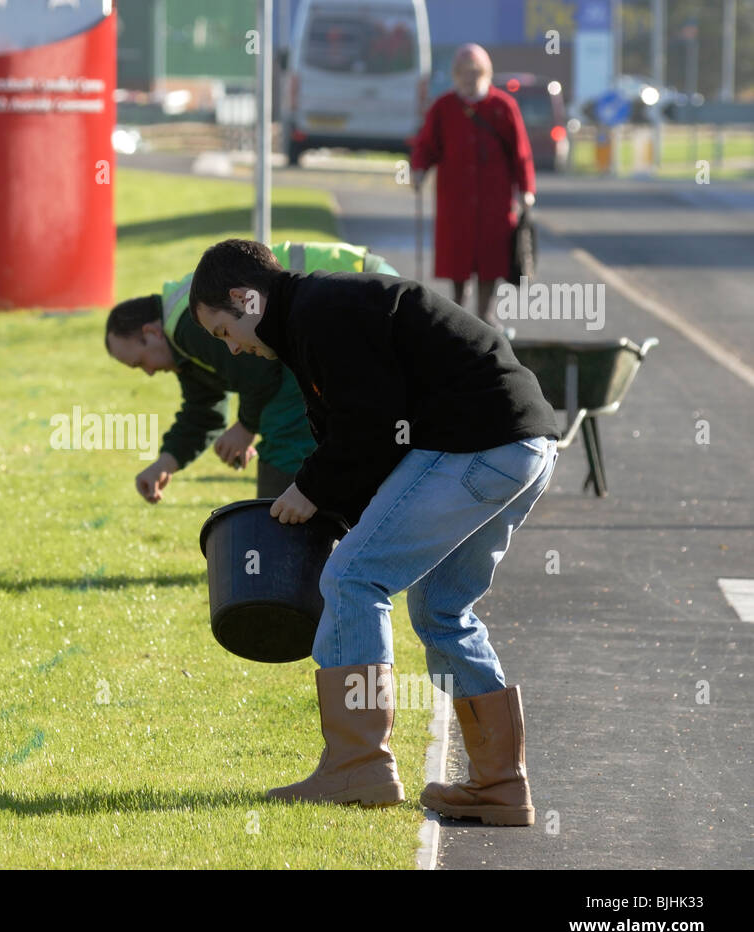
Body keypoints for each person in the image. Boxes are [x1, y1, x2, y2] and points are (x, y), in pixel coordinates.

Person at [189, 238, 561, 826]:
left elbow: (375, 427)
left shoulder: (319, 312)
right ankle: (499, 784)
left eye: (223, 332)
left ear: (245, 298)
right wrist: (333, 506)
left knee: (355, 578)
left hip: (479, 443)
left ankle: (358, 763)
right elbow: (375, 433)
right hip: (522, 447)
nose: (232, 348)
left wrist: (308, 490)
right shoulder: (310, 321)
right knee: (441, 611)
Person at [108, 241, 402, 500]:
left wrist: (246, 427)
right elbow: (203, 410)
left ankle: (289, 540)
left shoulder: (186, 326)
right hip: (359, 285)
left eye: (140, 362)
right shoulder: (182, 338)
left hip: (360, 290)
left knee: (284, 432)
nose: (147, 373)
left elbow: (260, 373)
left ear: (151, 332)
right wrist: (164, 464)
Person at [410, 43, 535, 330]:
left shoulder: (503, 106)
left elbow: (521, 152)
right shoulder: (443, 107)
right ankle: (457, 311)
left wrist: (526, 189)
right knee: (458, 257)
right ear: (455, 75)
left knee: (491, 258)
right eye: (462, 72)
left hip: (495, 199)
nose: (468, 78)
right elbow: (427, 145)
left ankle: (484, 314)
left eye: (474, 72)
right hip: (455, 198)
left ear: (485, 73)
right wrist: (418, 170)